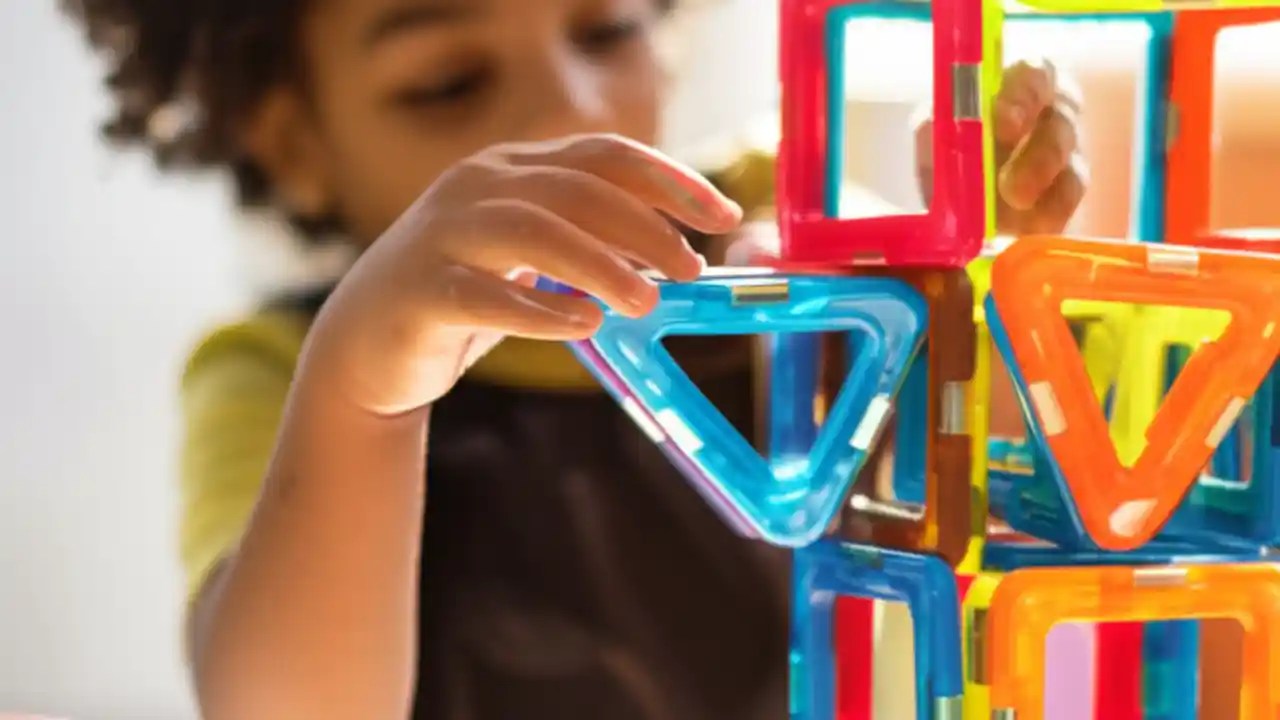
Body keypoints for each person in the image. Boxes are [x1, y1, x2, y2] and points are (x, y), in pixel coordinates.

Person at [65, 1, 1086, 718]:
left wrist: (986, 262)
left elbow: (990, 535)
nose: (568, 103)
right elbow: (281, 711)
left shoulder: (790, 230)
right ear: (290, 141)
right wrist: (360, 399)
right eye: (445, 82)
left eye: (605, 28)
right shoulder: (286, 369)